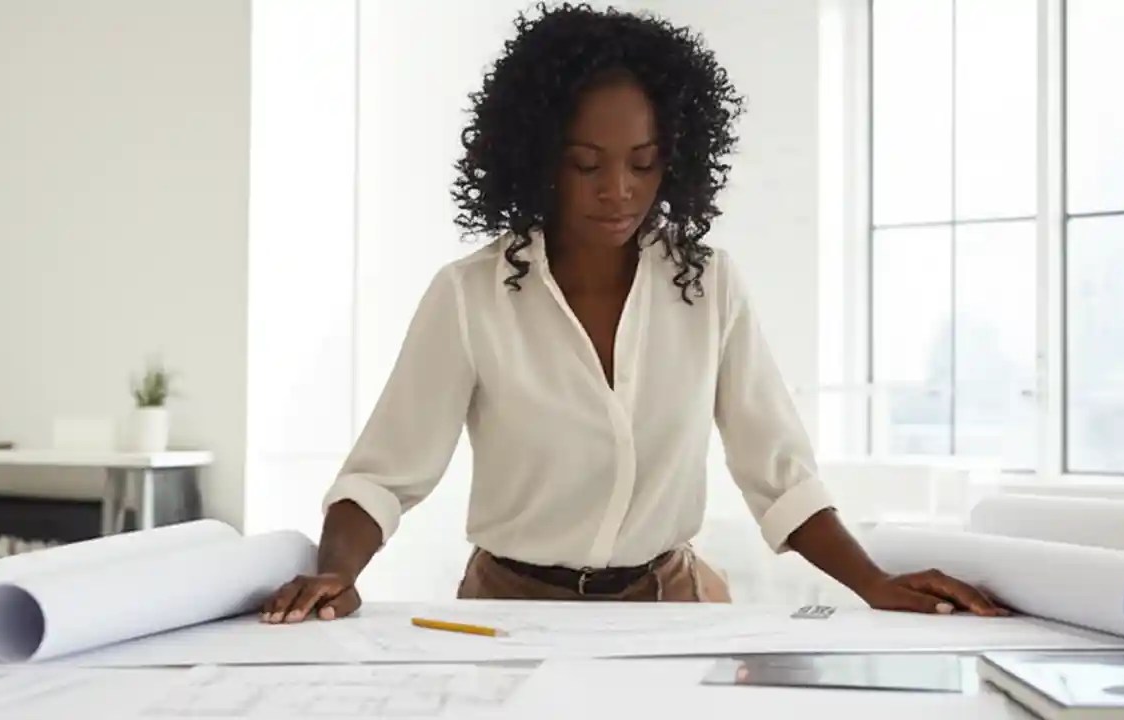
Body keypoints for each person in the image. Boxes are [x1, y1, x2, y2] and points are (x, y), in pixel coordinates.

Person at [261, 3, 1005, 623]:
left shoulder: (710, 286)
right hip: (509, 610)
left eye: (643, 163)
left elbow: (779, 476)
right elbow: (384, 476)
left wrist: (874, 584)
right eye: (587, 164)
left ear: (674, 158)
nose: (618, 189)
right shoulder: (470, 295)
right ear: (537, 157)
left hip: (672, 602)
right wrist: (337, 573)